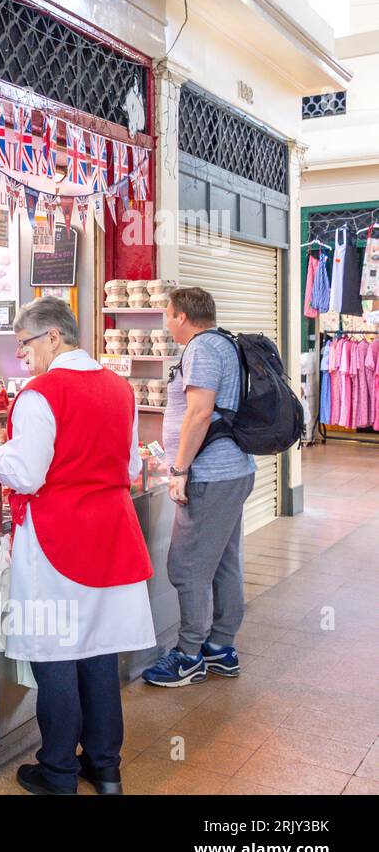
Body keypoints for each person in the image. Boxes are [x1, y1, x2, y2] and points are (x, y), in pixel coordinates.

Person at [0, 296, 155, 795]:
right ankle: (105, 767)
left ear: (53, 336)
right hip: (113, 535)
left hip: (58, 537)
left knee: (54, 653)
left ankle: (57, 771)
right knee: (99, 650)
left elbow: (27, 474)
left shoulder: (41, 393)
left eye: (24, 345)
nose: (21, 356)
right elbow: (130, 469)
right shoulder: (120, 388)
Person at [143, 286, 256, 687]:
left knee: (188, 565)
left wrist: (179, 470)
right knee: (224, 561)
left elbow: (200, 412)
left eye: (167, 316)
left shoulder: (203, 348)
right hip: (231, 471)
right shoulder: (224, 342)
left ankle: (189, 656)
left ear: (182, 317)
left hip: (210, 475)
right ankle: (220, 649)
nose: (166, 323)